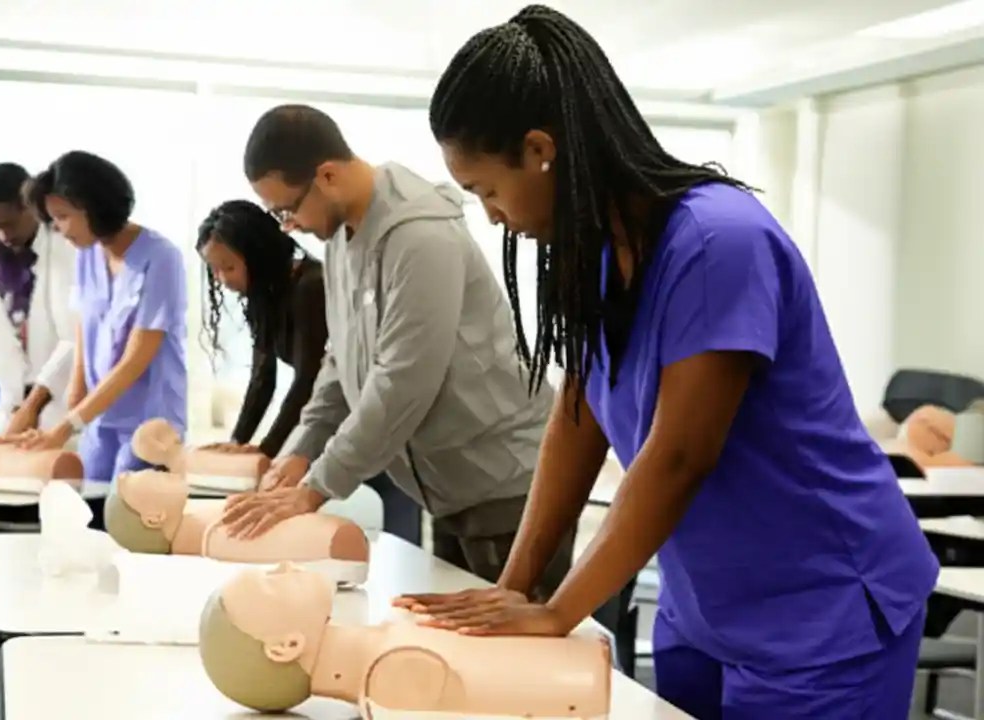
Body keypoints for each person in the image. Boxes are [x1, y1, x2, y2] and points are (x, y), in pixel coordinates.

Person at [394, 7, 939, 718]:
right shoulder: (594, 255)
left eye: (486, 190)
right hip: (707, 603)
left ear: (539, 149)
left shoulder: (719, 242)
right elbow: (577, 419)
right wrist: (516, 584)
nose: (492, 216)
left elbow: (681, 454)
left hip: (821, 607)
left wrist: (560, 612)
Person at [220, 105, 573, 603]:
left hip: (507, 487)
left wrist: (317, 487)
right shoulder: (343, 237)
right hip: (449, 489)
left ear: (327, 176)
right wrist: (300, 451)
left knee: (517, 663)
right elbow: (341, 363)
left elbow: (403, 381)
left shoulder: (420, 236)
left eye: (287, 209)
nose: (289, 226)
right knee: (460, 651)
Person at [196, 199, 423, 545]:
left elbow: (308, 380)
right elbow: (262, 377)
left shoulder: (311, 287)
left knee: (399, 538)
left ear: (256, 254)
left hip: (375, 422)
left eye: (228, 267)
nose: (222, 280)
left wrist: (270, 450)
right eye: (215, 271)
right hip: (337, 425)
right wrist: (240, 443)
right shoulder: (267, 297)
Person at [0, 161, 77, 684]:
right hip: (1, 378)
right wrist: (13, 408)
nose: (1, 233)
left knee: (52, 497)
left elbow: (75, 335)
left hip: (60, 377)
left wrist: (36, 404)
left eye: (9, 222)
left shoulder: (63, 243)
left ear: (31, 209)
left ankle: (42, 625)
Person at [16, 150, 187, 499]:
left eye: (63, 217)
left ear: (94, 206)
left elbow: (136, 358)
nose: (60, 230)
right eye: (54, 220)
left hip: (149, 423)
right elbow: (84, 329)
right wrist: (74, 400)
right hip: (99, 419)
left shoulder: (161, 257)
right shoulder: (87, 255)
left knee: (128, 518)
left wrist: (68, 424)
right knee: (87, 520)